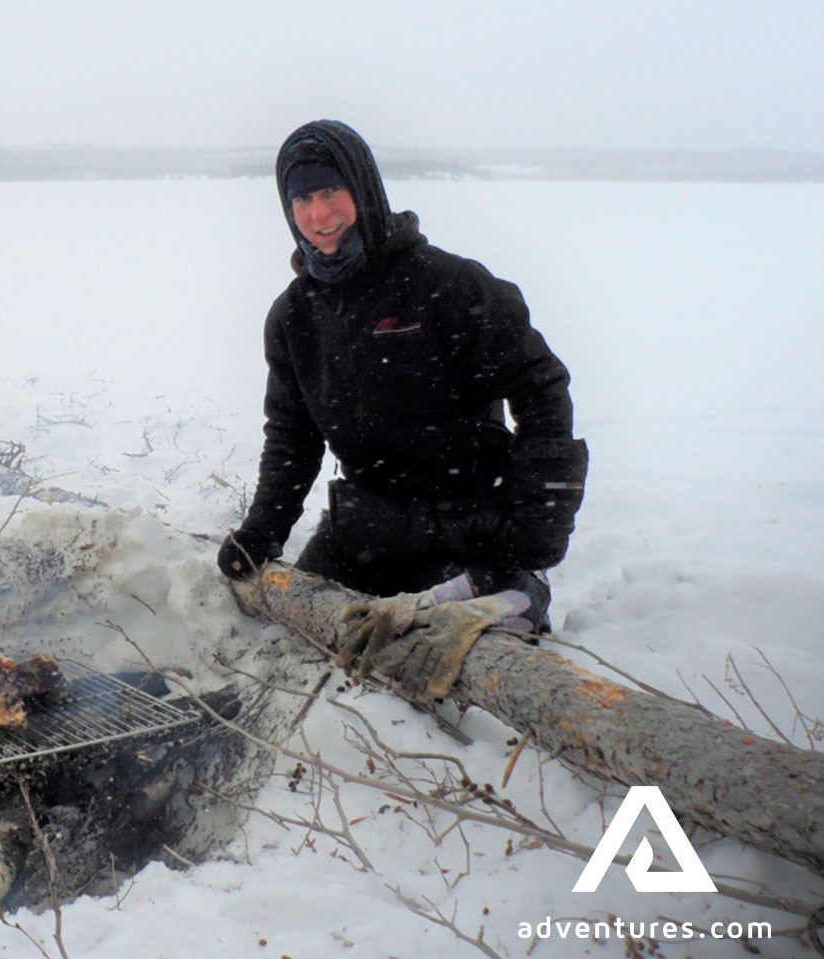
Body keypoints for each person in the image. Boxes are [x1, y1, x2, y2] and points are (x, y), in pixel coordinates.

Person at [218, 119, 587, 700]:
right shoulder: (294, 317)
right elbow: (292, 436)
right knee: (293, 644)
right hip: (368, 526)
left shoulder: (449, 285)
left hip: (467, 526)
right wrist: (261, 532)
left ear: (362, 190)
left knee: (433, 672)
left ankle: (519, 590)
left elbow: (542, 390)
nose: (319, 214)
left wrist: (533, 529)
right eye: (302, 199)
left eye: (330, 192)